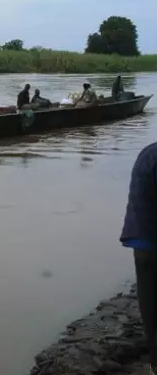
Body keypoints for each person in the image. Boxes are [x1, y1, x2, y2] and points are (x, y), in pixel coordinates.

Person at [120, 142, 157, 375]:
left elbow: (138, 199)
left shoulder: (148, 154)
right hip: (148, 237)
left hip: (142, 240)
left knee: (151, 304)